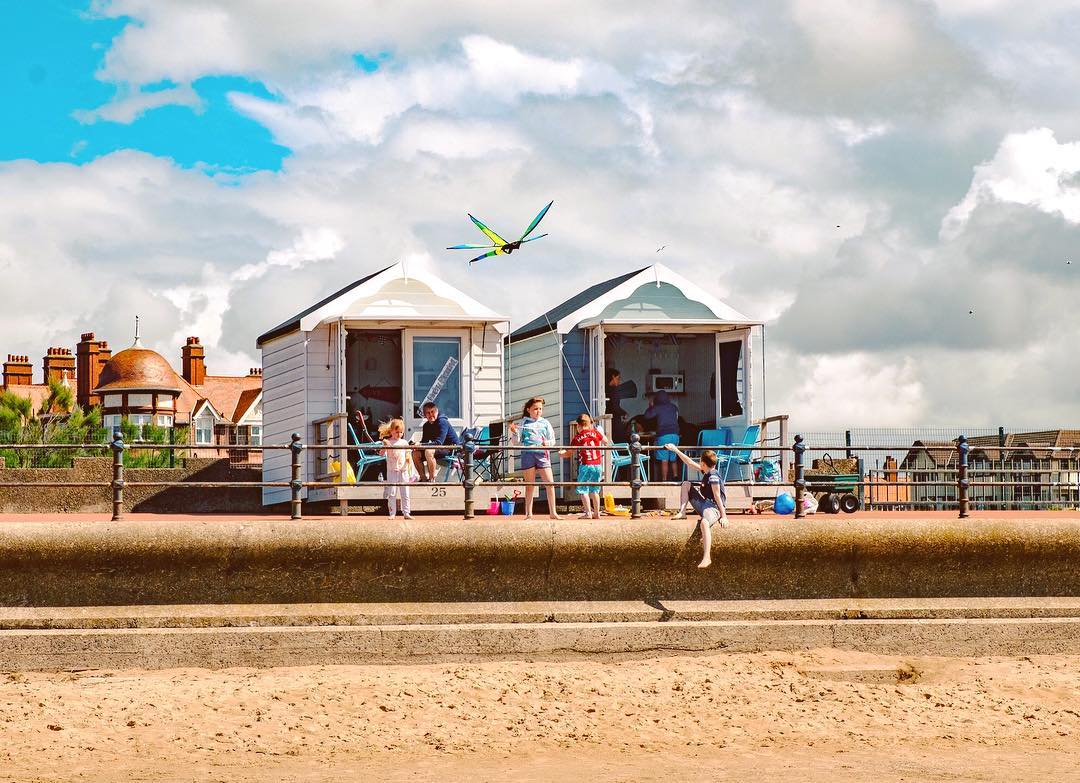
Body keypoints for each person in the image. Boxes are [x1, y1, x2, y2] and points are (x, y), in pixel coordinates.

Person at [664, 443, 728, 568]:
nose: (699, 464)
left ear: (704, 463)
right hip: (704, 504)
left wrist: (724, 515)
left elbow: (717, 497)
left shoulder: (713, 477)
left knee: (704, 523)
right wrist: (676, 450)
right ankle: (682, 512)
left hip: (713, 508)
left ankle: (707, 557)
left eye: (700, 462)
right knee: (686, 484)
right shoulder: (707, 470)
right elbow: (689, 462)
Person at [509, 397, 562, 520]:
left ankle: (553, 512)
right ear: (529, 410)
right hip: (528, 454)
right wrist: (514, 432)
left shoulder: (545, 422)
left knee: (550, 483)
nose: (538, 411)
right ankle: (528, 514)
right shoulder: (524, 422)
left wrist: (547, 444)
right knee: (530, 485)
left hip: (542, 454)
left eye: (540, 409)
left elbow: (552, 440)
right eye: (535, 409)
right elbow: (516, 442)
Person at [561, 412, 609, 519]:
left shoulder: (577, 438)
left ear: (578, 426)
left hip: (586, 465)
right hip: (597, 466)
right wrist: (600, 432)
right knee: (595, 490)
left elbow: (569, 453)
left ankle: (588, 513)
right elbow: (606, 441)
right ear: (590, 424)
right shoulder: (596, 433)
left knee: (583, 490)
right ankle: (597, 512)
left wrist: (562, 454)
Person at [412, 401, 460, 482]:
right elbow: (425, 441)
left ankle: (431, 479)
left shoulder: (442, 422)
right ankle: (423, 478)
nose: (430, 415)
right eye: (428, 413)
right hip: (439, 449)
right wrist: (416, 446)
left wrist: (420, 444)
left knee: (429, 451)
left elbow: (439, 443)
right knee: (415, 453)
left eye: (432, 412)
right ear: (424, 415)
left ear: (437, 412)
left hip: (451, 449)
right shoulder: (426, 426)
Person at [379, 417, 415, 519]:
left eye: (401, 432)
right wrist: (384, 446)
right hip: (391, 470)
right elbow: (381, 454)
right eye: (397, 432)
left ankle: (406, 512)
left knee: (405, 492)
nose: (399, 434)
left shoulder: (404, 442)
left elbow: (408, 452)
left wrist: (408, 457)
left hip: (403, 469)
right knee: (392, 492)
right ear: (391, 431)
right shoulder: (388, 442)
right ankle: (392, 513)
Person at [645, 390, 680, 482]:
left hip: (663, 435)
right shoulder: (674, 407)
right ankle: (676, 477)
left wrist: (651, 406)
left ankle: (664, 481)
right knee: (673, 458)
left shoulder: (657, 407)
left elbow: (647, 416)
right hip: (675, 435)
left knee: (664, 460)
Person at [605, 367, 629, 443]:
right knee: (620, 440)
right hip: (614, 420)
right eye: (618, 378)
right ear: (613, 377)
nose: (619, 381)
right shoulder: (613, 390)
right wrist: (624, 413)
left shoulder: (605, 389)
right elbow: (615, 407)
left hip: (607, 420)